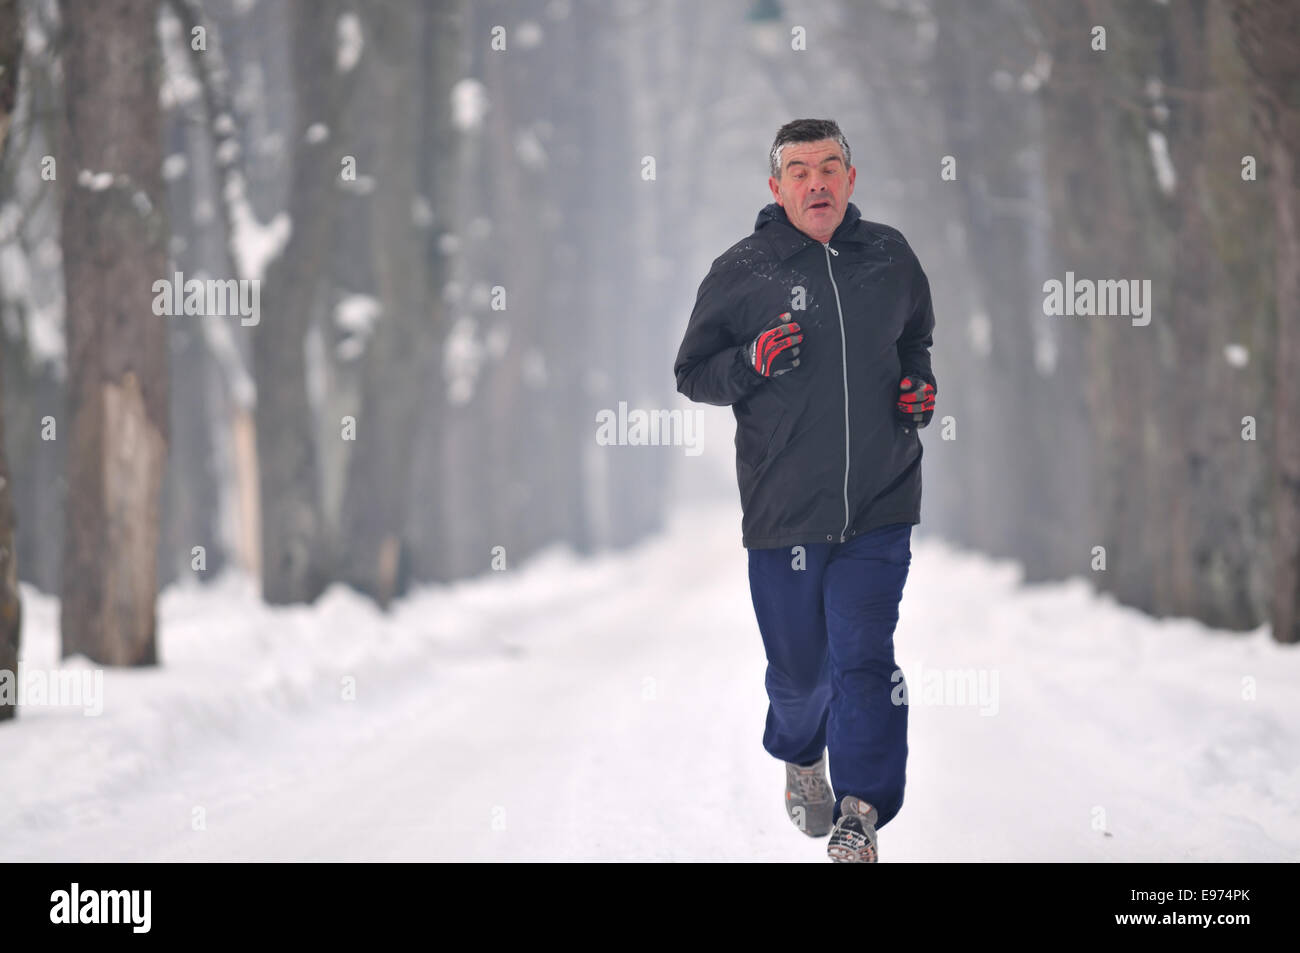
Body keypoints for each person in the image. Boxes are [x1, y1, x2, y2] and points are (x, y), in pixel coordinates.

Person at [673, 118, 937, 863]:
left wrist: (920, 386)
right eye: (799, 170)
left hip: (882, 502)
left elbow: (915, 337)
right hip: (785, 512)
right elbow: (693, 372)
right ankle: (800, 751)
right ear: (776, 187)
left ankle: (861, 811)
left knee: (864, 658)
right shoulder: (744, 269)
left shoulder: (889, 257)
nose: (815, 181)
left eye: (829, 167)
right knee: (800, 672)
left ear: (851, 179)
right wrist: (751, 361)